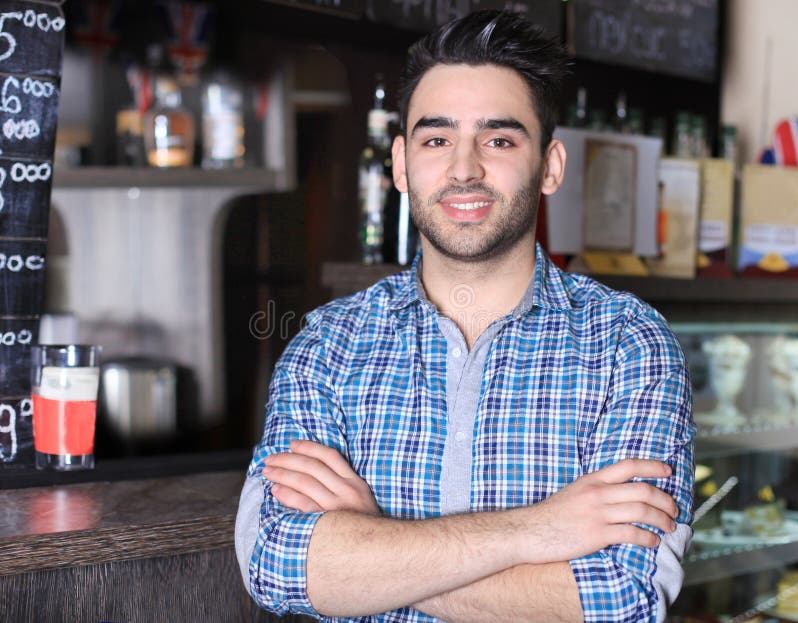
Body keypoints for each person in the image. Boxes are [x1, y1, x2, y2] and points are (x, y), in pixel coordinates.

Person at [235, 10, 695, 623]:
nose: (464, 169)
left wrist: (373, 543)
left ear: (550, 165)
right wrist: (538, 529)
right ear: (401, 164)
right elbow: (279, 565)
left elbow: (623, 600)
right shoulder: (328, 344)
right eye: (437, 140)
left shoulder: (629, 345)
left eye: (499, 140)